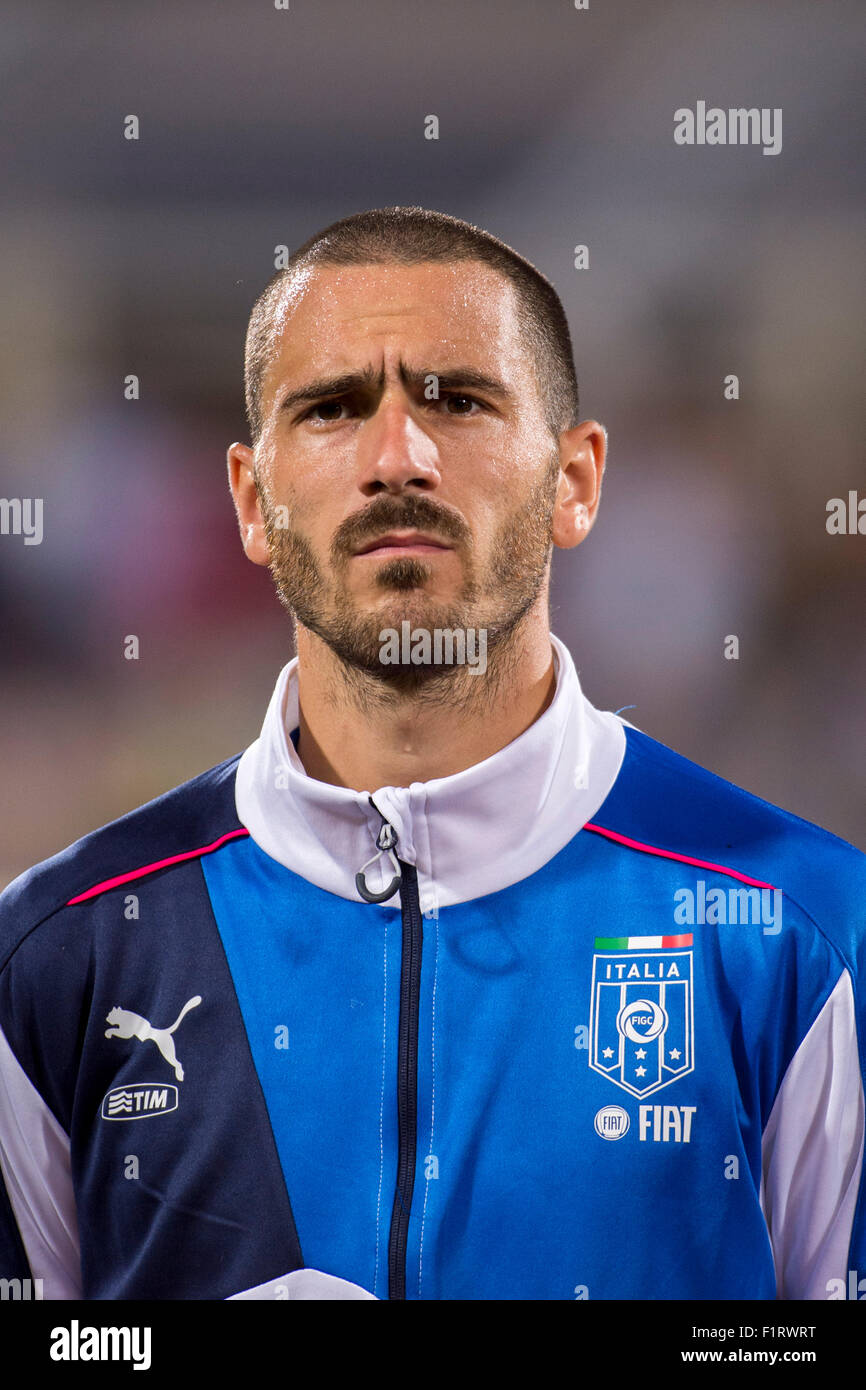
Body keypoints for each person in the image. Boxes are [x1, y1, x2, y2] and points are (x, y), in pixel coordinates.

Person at [1, 206, 864, 1302]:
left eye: (457, 399)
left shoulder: (807, 928)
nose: (396, 456)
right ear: (250, 502)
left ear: (575, 481)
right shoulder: (56, 957)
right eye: (330, 408)